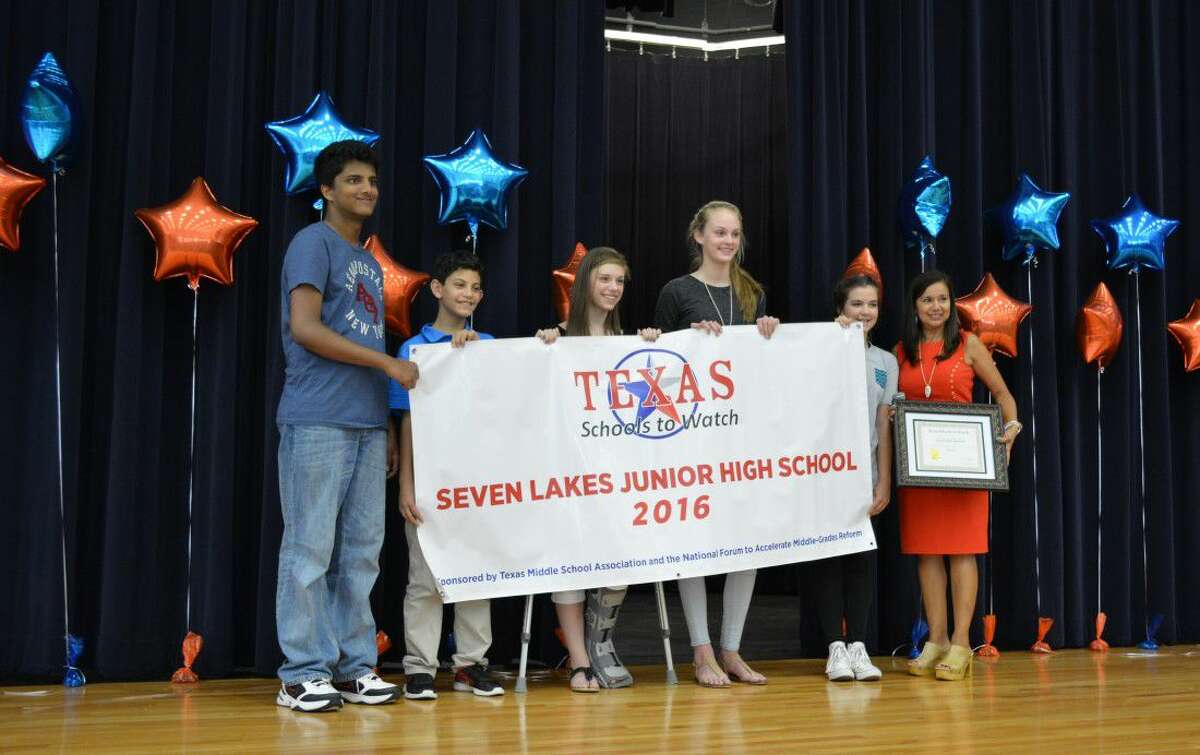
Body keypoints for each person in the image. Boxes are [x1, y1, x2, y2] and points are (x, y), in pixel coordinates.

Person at [275, 140, 417, 712]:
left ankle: (355, 666)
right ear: (327, 190)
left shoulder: (368, 262)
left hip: (365, 423)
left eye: (372, 181)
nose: (366, 190)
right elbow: (305, 328)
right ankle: (301, 673)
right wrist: (387, 364)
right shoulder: (312, 243)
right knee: (309, 549)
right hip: (317, 417)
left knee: (361, 553)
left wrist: (386, 424)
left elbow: (363, 335)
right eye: (354, 180)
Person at [652, 200, 779, 687]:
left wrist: (767, 334)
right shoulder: (677, 291)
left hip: (741, 438)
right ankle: (701, 652)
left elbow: (761, 368)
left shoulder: (753, 294)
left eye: (734, 234)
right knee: (696, 544)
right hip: (691, 438)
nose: (728, 241)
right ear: (699, 236)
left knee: (747, 545)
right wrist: (688, 339)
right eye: (720, 232)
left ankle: (731, 649)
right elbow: (659, 362)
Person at [536, 246, 661, 693]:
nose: (613, 288)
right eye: (605, 278)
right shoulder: (556, 339)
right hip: (569, 471)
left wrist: (652, 346)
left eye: (620, 281)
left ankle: (600, 640)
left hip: (618, 471)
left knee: (620, 556)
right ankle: (579, 659)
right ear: (586, 281)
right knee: (569, 562)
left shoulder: (630, 341)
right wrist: (541, 350)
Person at [897, 269, 1020, 682]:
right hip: (919, 472)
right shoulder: (901, 351)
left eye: (942, 299)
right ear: (915, 306)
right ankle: (935, 641)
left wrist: (1011, 429)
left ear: (951, 305)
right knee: (927, 553)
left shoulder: (969, 344)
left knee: (962, 552)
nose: (936, 307)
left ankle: (961, 643)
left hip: (966, 470)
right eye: (927, 300)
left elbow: (1003, 395)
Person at [392, 251, 504, 700]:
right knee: (425, 578)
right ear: (438, 289)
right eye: (459, 285)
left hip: (476, 484)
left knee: (477, 573)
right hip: (430, 485)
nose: (468, 294)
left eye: (476, 288)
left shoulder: (488, 344)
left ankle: (471, 665)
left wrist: (476, 356)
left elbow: (503, 406)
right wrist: (406, 485)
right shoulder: (413, 349)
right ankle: (420, 668)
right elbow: (407, 420)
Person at [806, 274, 897, 682]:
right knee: (829, 558)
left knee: (862, 559)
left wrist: (884, 480)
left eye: (871, 304)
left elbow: (883, 425)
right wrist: (832, 339)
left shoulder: (886, 362)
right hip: (825, 473)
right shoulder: (819, 349)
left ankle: (858, 645)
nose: (864, 312)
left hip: (865, 475)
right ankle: (834, 648)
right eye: (856, 304)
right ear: (840, 308)